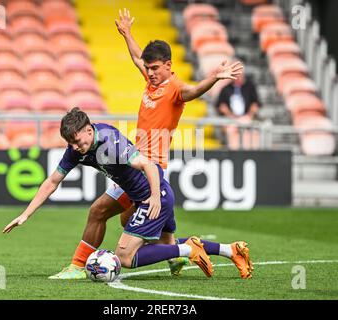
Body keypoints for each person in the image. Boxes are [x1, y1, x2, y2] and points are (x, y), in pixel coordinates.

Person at [45, 8, 247, 279]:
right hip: (137, 163)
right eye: (148, 68)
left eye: (154, 68)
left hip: (146, 167)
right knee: (145, 230)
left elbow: (194, 91)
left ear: (168, 66)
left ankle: (79, 266)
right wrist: (127, 34)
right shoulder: (152, 82)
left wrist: (214, 77)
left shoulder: (175, 89)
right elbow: (137, 59)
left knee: (107, 215)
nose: (149, 72)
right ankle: (228, 250)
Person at [2, 108, 215, 277]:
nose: (75, 147)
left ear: (88, 130)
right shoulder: (76, 148)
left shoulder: (110, 142)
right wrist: (25, 214)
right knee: (99, 211)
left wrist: (155, 197)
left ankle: (186, 250)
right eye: (71, 143)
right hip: (129, 190)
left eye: (77, 141)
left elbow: (149, 165)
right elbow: (52, 181)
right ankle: (77, 266)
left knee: (125, 256)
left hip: (150, 192)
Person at [216, 70, 262, 149]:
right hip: (231, 120)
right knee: (231, 130)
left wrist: (248, 116)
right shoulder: (225, 89)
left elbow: (255, 104)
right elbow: (221, 106)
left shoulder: (250, 87)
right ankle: (235, 152)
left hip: (247, 118)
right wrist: (231, 116)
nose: (238, 77)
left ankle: (253, 152)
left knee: (253, 131)